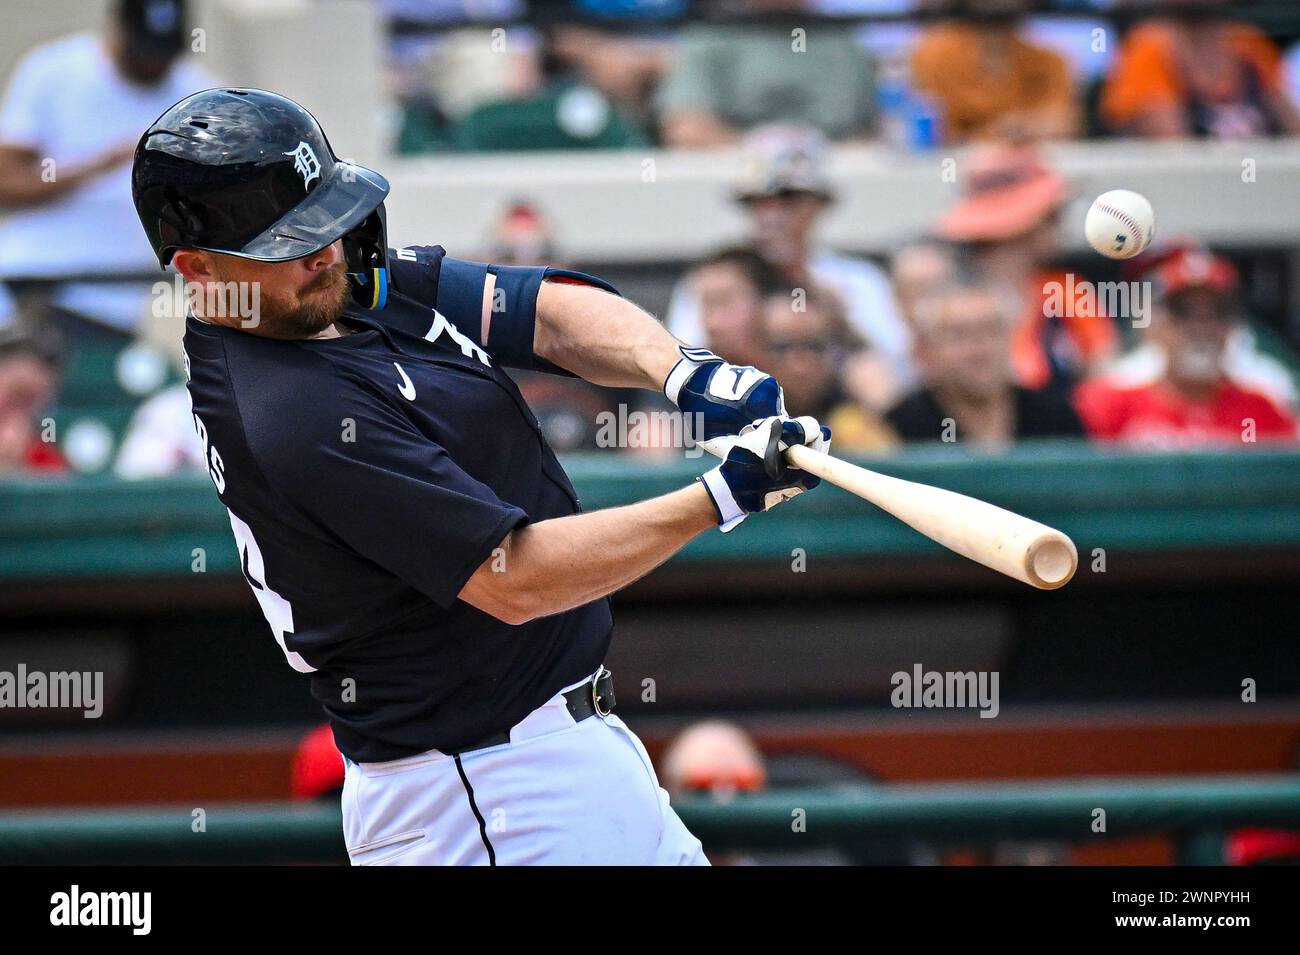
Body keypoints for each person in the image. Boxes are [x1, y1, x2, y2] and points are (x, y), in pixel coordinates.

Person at [131, 88, 832, 866]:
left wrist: (683, 371)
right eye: (291, 243)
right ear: (199, 269)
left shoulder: (334, 289)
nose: (326, 250)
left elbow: (539, 310)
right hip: (484, 795)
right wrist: (720, 497)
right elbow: (515, 578)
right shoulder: (292, 414)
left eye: (327, 222)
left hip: (566, 754)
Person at [0, 0, 210, 339]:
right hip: (32, 287)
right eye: (141, 51)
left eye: (162, 53)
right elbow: (5, 183)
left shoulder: (201, 96)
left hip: (120, 303)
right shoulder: (52, 70)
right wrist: (101, 166)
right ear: (116, 28)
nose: (151, 64)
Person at [666, 125, 914, 388]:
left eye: (788, 198)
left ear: (818, 204)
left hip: (835, 412)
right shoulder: (714, 282)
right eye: (760, 200)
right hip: (739, 408)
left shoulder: (858, 281)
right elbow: (678, 367)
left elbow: (903, 370)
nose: (773, 214)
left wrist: (842, 325)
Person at [1075, 246, 1298, 448]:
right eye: (1182, 313)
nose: (1201, 328)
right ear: (1153, 324)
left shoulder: (1260, 409)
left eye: (1217, 313)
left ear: (1233, 327)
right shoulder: (1109, 403)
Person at [937, 143, 1116, 394]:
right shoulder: (951, 297)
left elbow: (1101, 377)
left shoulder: (1066, 291)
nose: (1059, 226)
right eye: (1051, 216)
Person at [886, 275, 1085, 446]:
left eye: (991, 331)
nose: (978, 350)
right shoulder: (899, 429)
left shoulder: (1056, 420)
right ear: (928, 347)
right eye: (959, 335)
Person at [654, 4, 878, 147]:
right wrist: (768, 154)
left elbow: (872, 135)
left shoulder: (844, 41)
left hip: (834, 183)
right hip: (733, 178)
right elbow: (688, 132)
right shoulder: (710, 37)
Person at [1100, 0, 1300, 140]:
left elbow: (1293, 131)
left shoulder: (1250, 43)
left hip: (1262, 181)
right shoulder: (1147, 46)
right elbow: (1174, 146)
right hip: (1193, 185)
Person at [910, 0, 1080, 143]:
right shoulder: (932, 56)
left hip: (1029, 171)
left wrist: (1020, 129)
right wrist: (995, 134)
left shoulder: (1049, 61)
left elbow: (1064, 124)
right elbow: (930, 129)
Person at [760, 288, 897, 453]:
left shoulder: (851, 425)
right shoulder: (735, 419)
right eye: (782, 347)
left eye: (814, 346)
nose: (800, 367)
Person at [0, 322, 66, 475]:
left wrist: (14, 468)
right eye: (16, 395)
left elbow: (60, 489)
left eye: (30, 400)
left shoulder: (43, 452)